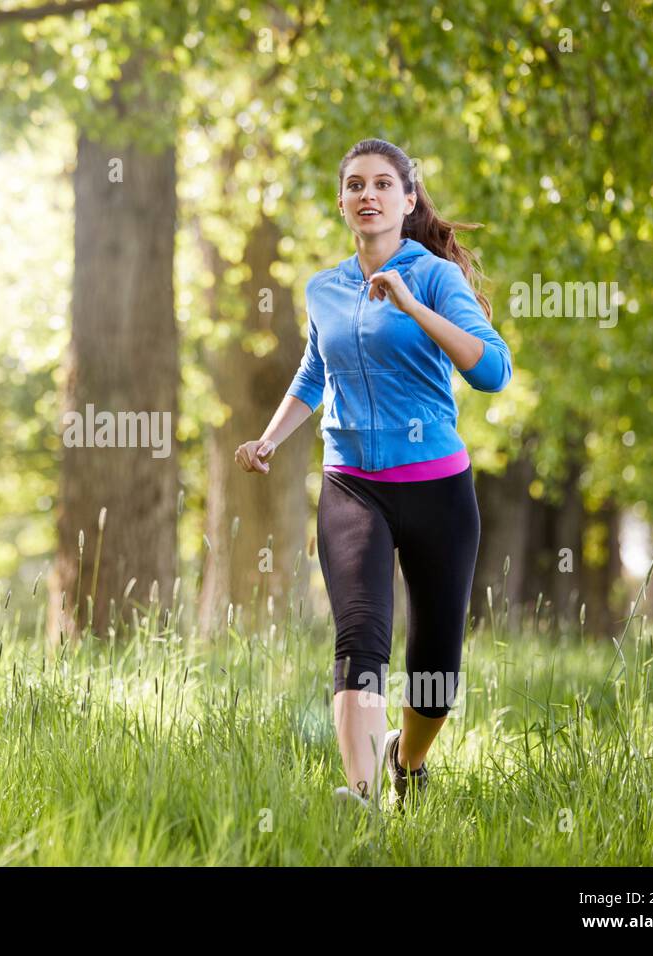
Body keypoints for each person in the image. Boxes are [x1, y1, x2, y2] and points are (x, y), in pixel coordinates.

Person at [234, 138, 513, 812]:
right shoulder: (324, 288)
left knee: (435, 670)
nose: (368, 195)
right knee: (359, 636)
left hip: (438, 491)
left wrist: (410, 304)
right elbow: (315, 373)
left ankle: (404, 759)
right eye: (355, 184)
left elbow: (493, 371)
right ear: (341, 202)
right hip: (352, 485)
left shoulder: (437, 277)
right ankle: (359, 802)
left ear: (407, 200)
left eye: (383, 184)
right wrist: (271, 438)